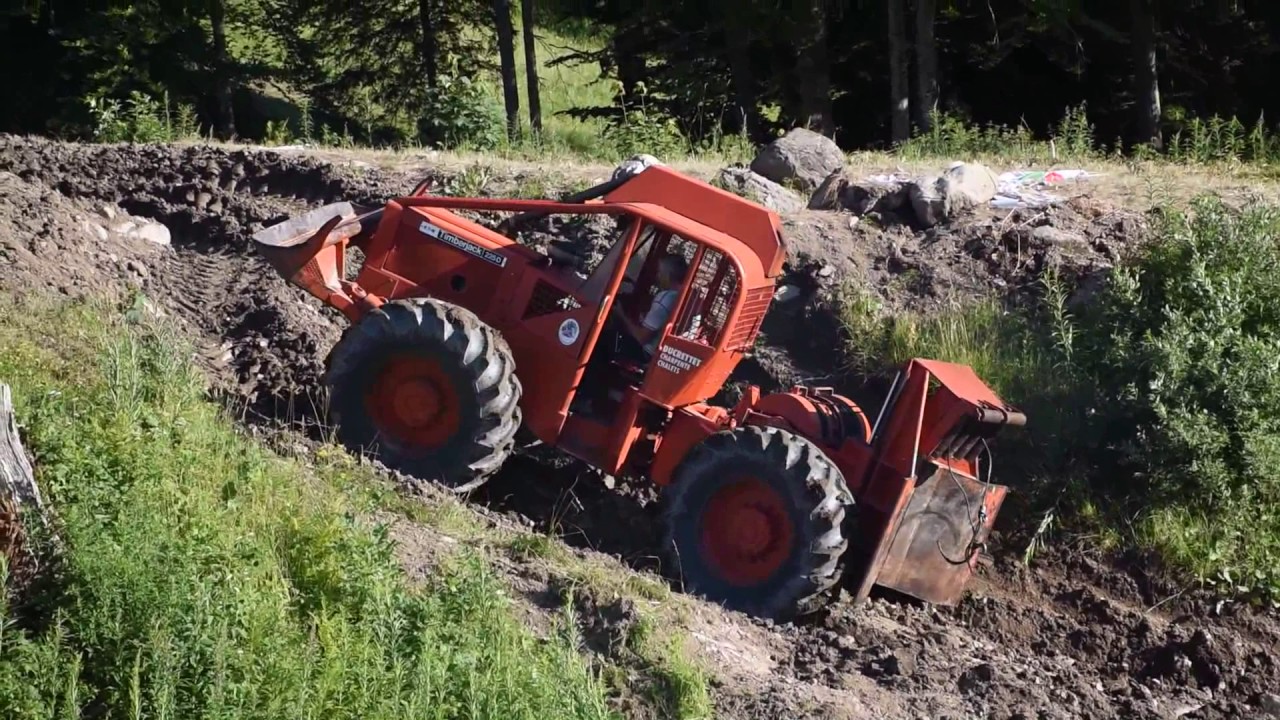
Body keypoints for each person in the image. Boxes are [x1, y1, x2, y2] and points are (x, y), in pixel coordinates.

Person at [611, 252, 689, 362]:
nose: (657, 276)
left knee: (604, 338)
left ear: (668, 275)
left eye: (659, 272)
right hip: (664, 355)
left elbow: (641, 338)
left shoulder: (665, 298)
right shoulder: (685, 296)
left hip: (645, 354)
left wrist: (621, 314)